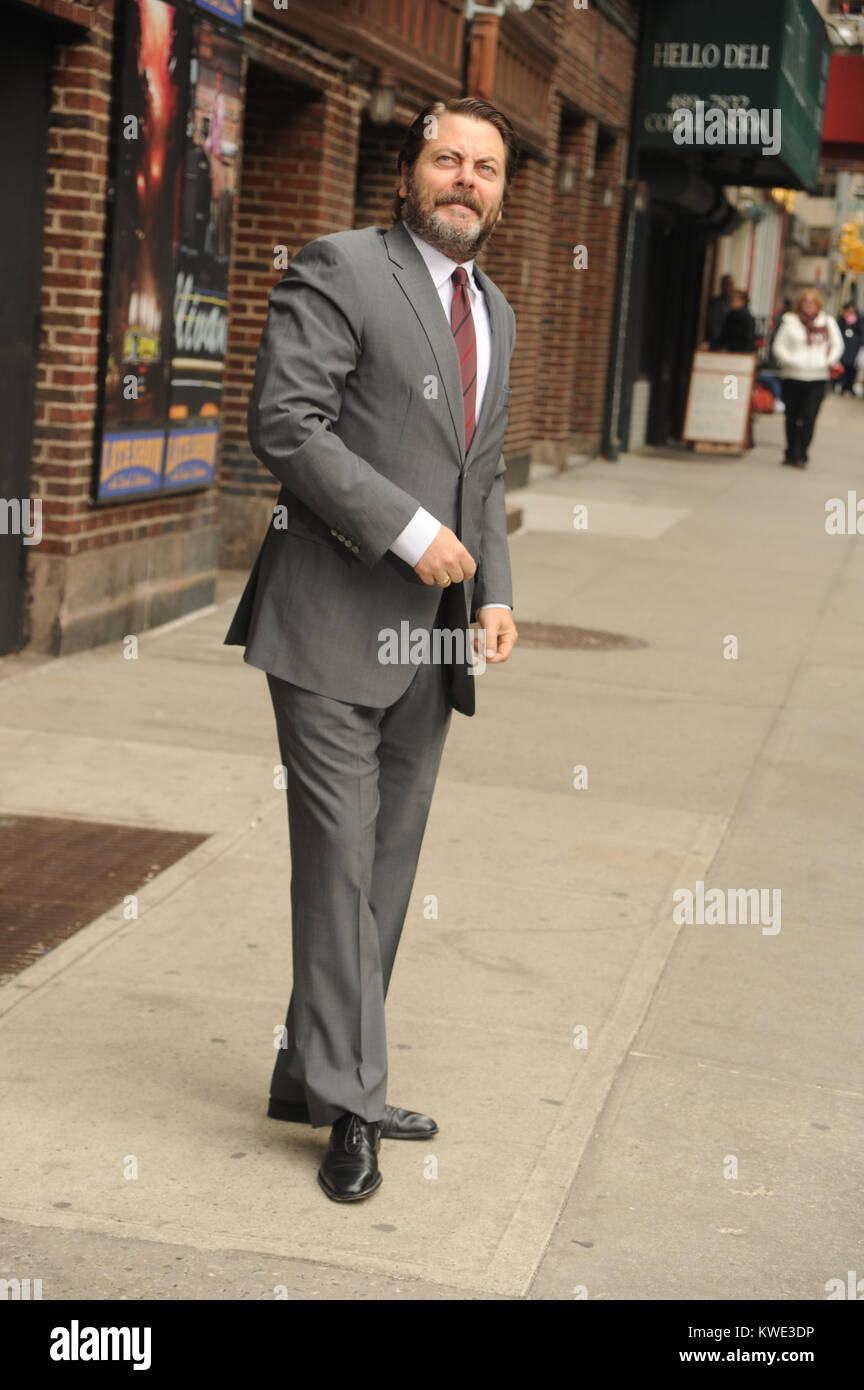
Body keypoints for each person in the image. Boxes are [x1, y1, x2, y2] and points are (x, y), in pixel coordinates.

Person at [224, 97, 519, 1202]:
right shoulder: (341, 269)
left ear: (500, 192)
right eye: (447, 159)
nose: (466, 179)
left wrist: (489, 588)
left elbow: (478, 476)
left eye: (486, 167)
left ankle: (314, 1068)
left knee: (387, 869)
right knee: (342, 864)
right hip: (327, 618)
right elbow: (286, 422)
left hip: (432, 638)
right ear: (406, 175)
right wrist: (408, 530)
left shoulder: (494, 308)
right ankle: (351, 1106)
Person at [771, 288, 844, 467]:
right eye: (806, 302)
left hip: (817, 376)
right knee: (792, 415)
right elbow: (778, 346)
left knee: (809, 416)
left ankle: (801, 454)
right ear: (800, 304)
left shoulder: (827, 322)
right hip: (793, 375)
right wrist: (791, 360)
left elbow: (837, 344)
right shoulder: (790, 322)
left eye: (812, 302)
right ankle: (790, 451)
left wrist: (828, 360)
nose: (809, 305)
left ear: (818, 304)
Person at [835, 301, 863, 395]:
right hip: (844, 346)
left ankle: (850, 386)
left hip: (854, 346)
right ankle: (842, 385)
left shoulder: (859, 319)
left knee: (853, 367)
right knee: (844, 366)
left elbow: (861, 331)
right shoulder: (841, 319)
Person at [705, 273, 734, 350]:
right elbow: (713, 323)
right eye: (728, 285)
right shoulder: (716, 303)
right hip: (718, 343)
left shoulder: (732, 303)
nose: (730, 287)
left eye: (731, 284)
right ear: (723, 286)